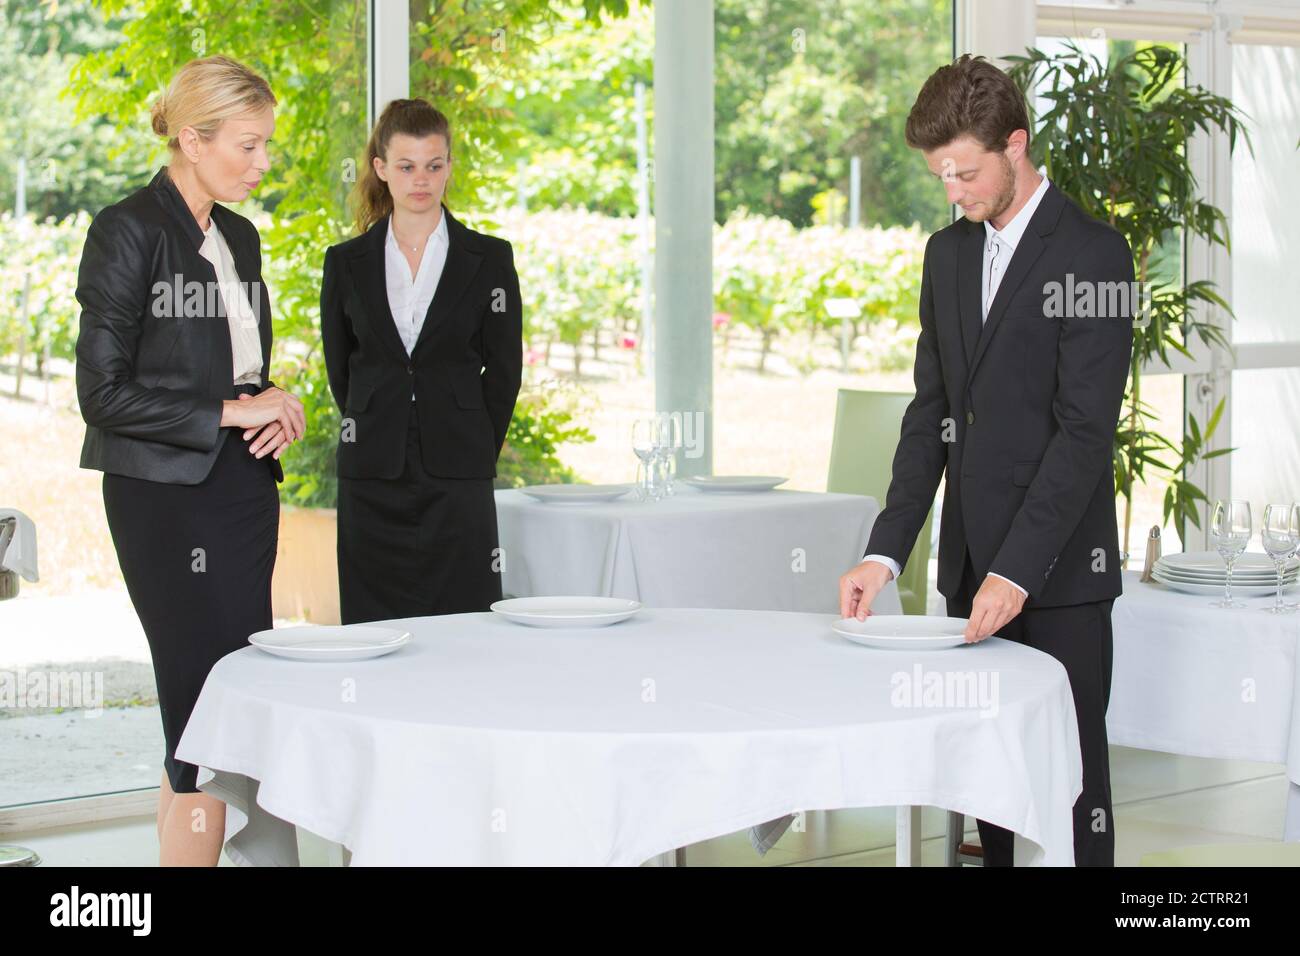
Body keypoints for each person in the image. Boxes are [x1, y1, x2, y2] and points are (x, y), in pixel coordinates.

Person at [838, 54, 1134, 867]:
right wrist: (884, 549)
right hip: (970, 576)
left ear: (1016, 144)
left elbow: (1084, 434)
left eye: (965, 172)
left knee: (1074, 798)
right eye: (942, 177)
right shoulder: (946, 255)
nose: (955, 193)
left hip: (1062, 579)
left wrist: (1020, 570)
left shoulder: (1097, 256)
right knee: (991, 802)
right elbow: (929, 413)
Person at [75, 55, 305, 866]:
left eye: (266, 146)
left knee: (231, 700)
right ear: (189, 138)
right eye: (247, 146)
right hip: (164, 500)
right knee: (200, 708)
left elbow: (232, 367)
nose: (261, 163)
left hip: (243, 492)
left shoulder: (239, 237)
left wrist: (273, 403)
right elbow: (101, 395)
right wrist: (231, 411)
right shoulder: (128, 229)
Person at [320, 98, 522, 624]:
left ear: (450, 166)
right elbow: (341, 367)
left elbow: (504, 372)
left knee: (465, 619)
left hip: (459, 469)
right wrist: (378, 417)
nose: (421, 180)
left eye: (434, 165)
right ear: (382, 169)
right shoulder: (345, 263)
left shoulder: (490, 258)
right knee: (372, 621)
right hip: (371, 467)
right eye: (406, 167)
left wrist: (473, 439)